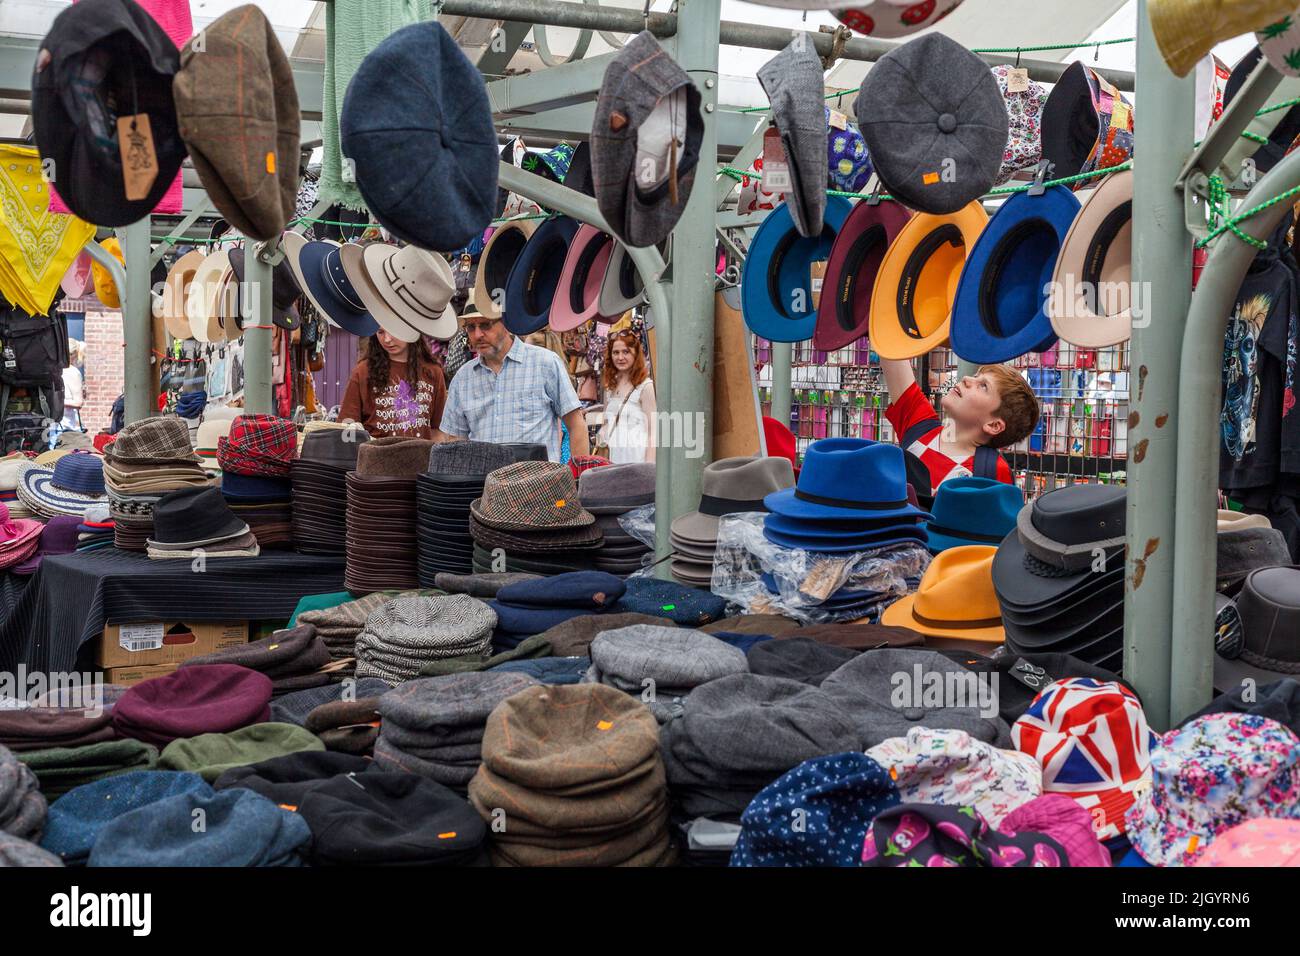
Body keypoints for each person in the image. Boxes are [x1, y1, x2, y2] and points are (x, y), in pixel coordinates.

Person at [435, 309, 589, 462]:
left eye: (485, 325)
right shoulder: (463, 378)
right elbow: (454, 441)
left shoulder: (545, 364)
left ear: (507, 324)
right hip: (482, 485)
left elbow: (576, 424)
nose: (477, 335)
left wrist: (577, 479)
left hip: (537, 484)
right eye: (470, 327)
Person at [881, 358, 1039, 493]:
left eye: (983, 386)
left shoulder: (994, 472)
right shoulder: (920, 424)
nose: (966, 379)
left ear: (994, 425)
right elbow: (892, 349)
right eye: (976, 376)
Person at [339, 329, 447, 439]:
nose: (387, 339)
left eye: (393, 331)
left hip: (423, 454)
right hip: (375, 454)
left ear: (411, 328)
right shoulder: (362, 372)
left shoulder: (433, 373)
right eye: (380, 332)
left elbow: (439, 430)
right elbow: (346, 426)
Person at [597, 330, 656, 464]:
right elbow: (607, 423)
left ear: (635, 354)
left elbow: (654, 432)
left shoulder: (645, 386)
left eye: (626, 352)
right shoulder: (609, 387)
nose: (620, 357)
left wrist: (649, 467)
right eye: (616, 352)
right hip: (613, 458)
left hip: (636, 458)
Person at [60, 340, 85, 431]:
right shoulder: (55, 370)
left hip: (66, 427)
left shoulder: (73, 372)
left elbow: (78, 402)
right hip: (53, 426)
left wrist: (56, 402)